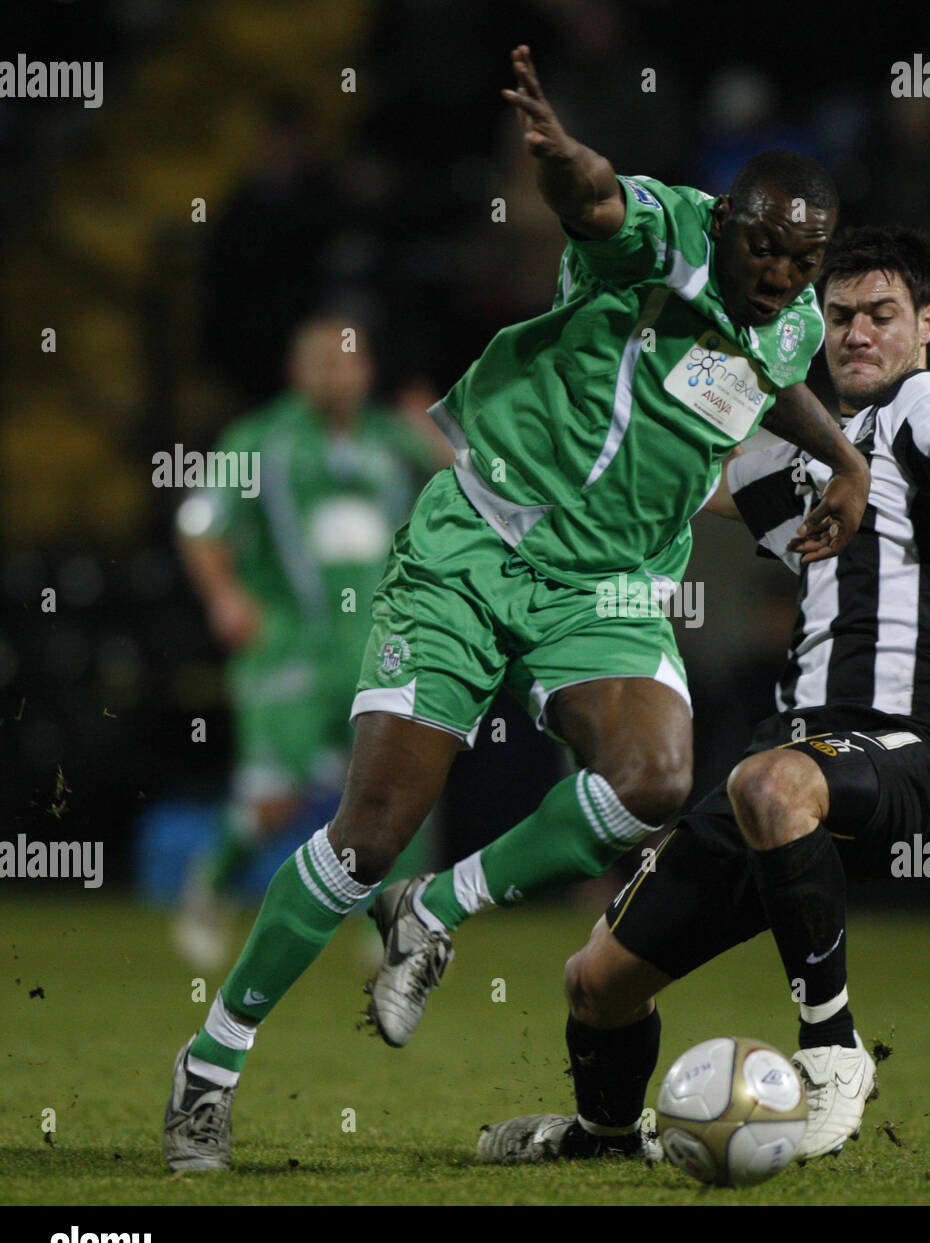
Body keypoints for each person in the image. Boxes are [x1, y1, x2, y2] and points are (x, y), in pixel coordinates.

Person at [163, 45, 870, 1172]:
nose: (782, 275)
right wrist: (560, 156)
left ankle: (434, 909)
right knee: (366, 835)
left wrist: (843, 454)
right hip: (476, 545)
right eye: (765, 248)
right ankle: (211, 1065)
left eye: (805, 259)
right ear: (729, 221)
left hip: (605, 586)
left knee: (653, 781)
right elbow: (593, 200)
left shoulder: (789, 320)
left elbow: (766, 371)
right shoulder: (667, 235)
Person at [475, 225, 930, 1165]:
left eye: (882, 314)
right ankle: (604, 1137)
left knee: (771, 785)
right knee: (595, 982)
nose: (857, 332)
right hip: (800, 750)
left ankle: (832, 1053)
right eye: (841, 314)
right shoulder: (806, 450)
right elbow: (682, 471)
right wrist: (604, 386)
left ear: (927, 324)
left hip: (923, 735)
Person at [172, 318, 436, 970]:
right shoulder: (259, 440)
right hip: (291, 646)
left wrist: (438, 437)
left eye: (349, 362)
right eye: (323, 363)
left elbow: (478, 488)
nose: (337, 375)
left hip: (380, 641)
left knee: (406, 778)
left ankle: (397, 923)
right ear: (298, 372)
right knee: (272, 800)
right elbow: (199, 524)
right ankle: (211, 886)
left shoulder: (393, 437)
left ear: (367, 370)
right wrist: (225, 598)